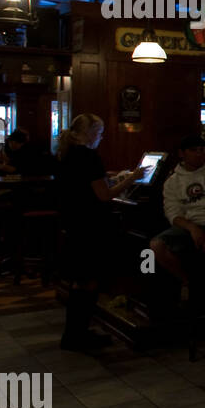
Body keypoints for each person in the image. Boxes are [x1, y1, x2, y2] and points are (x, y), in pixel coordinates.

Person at [55, 114, 144, 351]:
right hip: (90, 227)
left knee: (79, 281)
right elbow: (104, 195)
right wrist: (133, 178)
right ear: (91, 133)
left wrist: (113, 178)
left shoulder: (67, 154)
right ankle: (78, 336)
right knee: (90, 281)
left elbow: (85, 186)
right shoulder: (89, 156)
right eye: (101, 133)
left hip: (74, 223)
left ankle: (73, 333)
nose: (101, 137)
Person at [150, 134, 205, 306]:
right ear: (182, 153)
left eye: (202, 150)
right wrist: (192, 228)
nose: (200, 154)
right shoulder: (173, 181)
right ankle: (186, 282)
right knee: (156, 246)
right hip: (190, 225)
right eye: (194, 150)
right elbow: (172, 213)